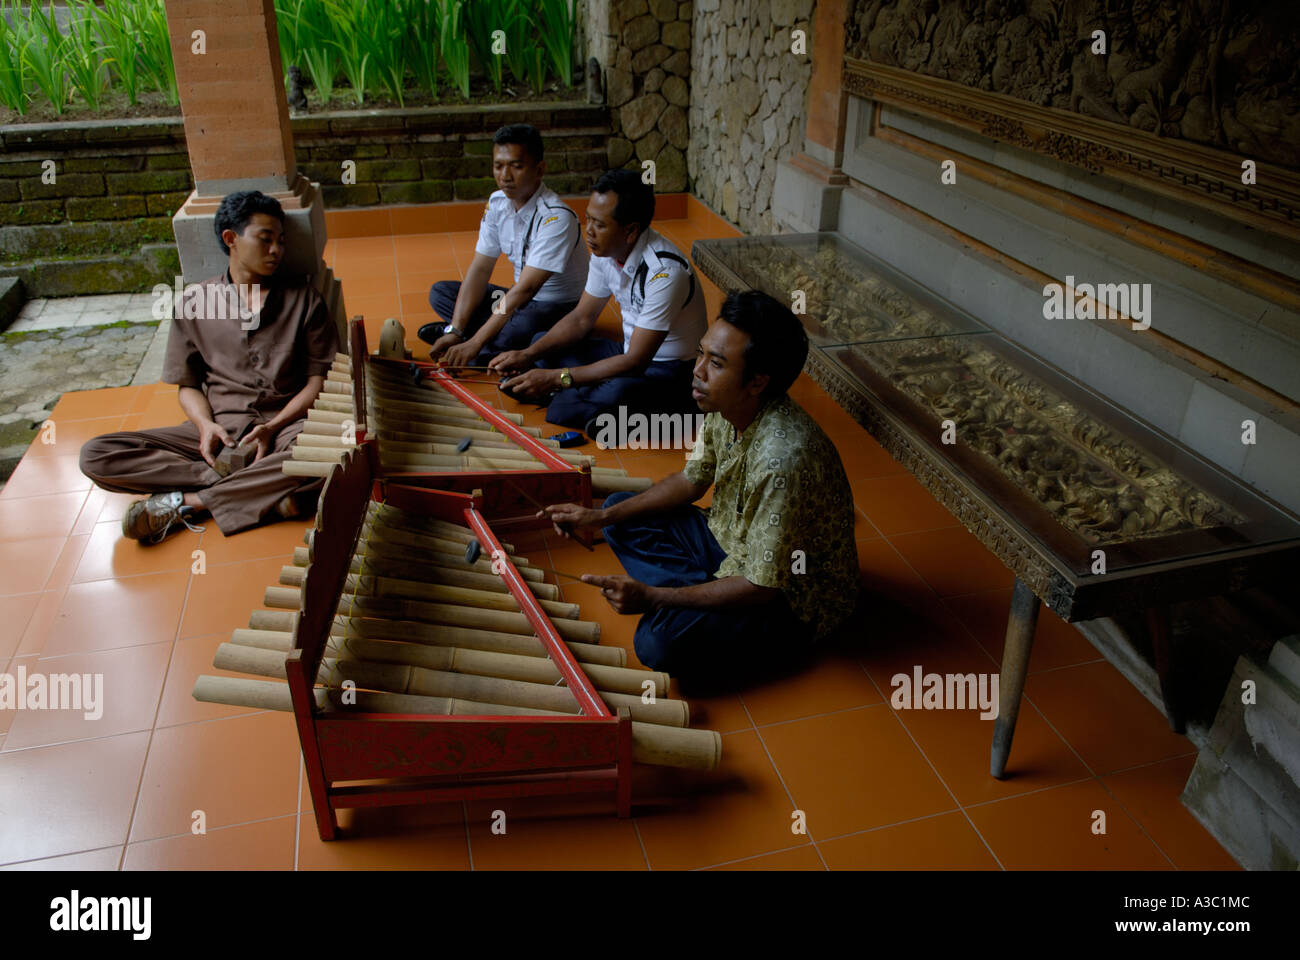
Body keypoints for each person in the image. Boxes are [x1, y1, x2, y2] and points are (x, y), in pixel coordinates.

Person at [540, 291, 859, 689]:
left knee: (656, 645)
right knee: (621, 514)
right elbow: (691, 481)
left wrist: (655, 597)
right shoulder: (726, 405)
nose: (698, 371)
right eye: (702, 354)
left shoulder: (784, 460)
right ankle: (699, 597)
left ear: (757, 382)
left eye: (717, 363)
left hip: (788, 597)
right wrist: (599, 516)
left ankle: (694, 606)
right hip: (729, 542)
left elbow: (761, 585)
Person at [79, 191, 339, 543]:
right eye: (265, 240)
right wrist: (204, 427)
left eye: (281, 241)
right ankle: (257, 491)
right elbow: (187, 385)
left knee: (333, 449)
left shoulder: (305, 300)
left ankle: (191, 502)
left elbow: (317, 381)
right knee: (96, 455)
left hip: (286, 429)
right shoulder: (193, 303)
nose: (277, 250)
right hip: (218, 435)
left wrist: (272, 426)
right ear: (231, 239)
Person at [488, 168, 706, 436]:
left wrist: (559, 377)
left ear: (630, 231)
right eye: (588, 219)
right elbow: (581, 318)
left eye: (600, 225)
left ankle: (657, 412)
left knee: (611, 393)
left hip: (667, 370)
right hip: (627, 352)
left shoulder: (665, 273)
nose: (588, 231)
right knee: (541, 342)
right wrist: (527, 355)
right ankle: (582, 399)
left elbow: (637, 361)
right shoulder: (605, 252)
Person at [418, 123, 588, 368]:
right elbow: (480, 268)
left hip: (556, 306)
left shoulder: (556, 218)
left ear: (540, 169)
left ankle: (484, 345)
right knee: (441, 293)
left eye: (516, 166)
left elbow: (527, 289)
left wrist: (475, 342)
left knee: (516, 330)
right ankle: (469, 336)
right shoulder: (497, 203)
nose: (505, 176)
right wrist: (456, 329)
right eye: (498, 166)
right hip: (516, 299)